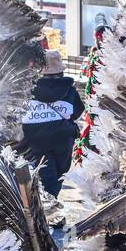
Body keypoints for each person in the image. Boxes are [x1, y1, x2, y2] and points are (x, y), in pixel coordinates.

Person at [16, 49, 84, 196]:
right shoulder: (70, 90)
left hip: (36, 140)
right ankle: (51, 200)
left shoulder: (29, 90)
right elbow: (78, 111)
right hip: (62, 139)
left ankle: (45, 204)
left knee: (45, 175)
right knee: (59, 174)